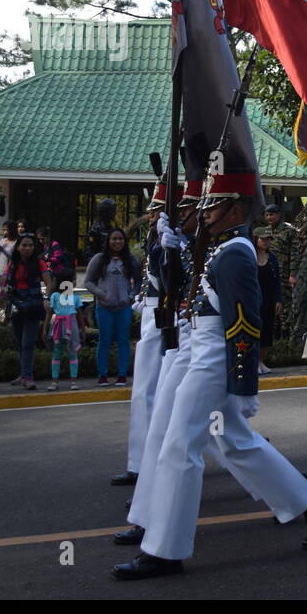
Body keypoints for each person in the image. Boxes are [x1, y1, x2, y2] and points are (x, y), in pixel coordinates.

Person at [112, 168, 307, 580]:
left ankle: (165, 549)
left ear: (235, 208)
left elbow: (245, 323)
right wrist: (166, 249)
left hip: (213, 357)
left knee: (179, 446)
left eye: (211, 205)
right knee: (233, 441)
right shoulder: (217, 247)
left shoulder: (235, 252)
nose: (203, 213)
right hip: (200, 348)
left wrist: (241, 383)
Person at [112, 178, 180, 486]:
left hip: (168, 316)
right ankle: (142, 461)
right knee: (147, 392)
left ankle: (146, 463)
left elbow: (176, 279)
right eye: (152, 210)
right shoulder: (156, 239)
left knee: (156, 393)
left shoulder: (175, 240)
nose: (151, 215)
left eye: (157, 209)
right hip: (152, 313)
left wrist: (172, 248)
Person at [85, 227, 141, 386]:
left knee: (123, 341)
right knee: (104, 341)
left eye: (120, 239)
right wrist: (101, 294)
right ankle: (102, 375)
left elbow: (139, 283)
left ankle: (122, 374)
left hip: (124, 308)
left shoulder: (131, 260)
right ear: (108, 241)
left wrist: (131, 297)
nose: (117, 242)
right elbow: (88, 282)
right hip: (103, 308)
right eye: (114, 239)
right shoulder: (99, 259)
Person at [5, 234, 48, 390]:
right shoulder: (13, 264)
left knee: (27, 343)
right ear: (18, 247)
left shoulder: (39, 263)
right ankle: (23, 374)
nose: (28, 248)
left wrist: (48, 299)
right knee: (19, 342)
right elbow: (6, 284)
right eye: (24, 245)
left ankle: (28, 376)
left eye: (30, 245)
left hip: (33, 305)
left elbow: (49, 282)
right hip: (16, 305)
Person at [260, 204, 299, 341]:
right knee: (270, 307)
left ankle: (286, 340)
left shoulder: (289, 231)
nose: (269, 217)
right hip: (269, 275)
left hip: (284, 275)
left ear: (279, 215)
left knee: (285, 307)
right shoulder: (264, 232)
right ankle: (273, 340)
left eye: (272, 214)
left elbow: (295, 253)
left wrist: (293, 274)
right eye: (267, 215)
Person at [47, 280, 83, 390]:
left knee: (72, 353)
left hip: (71, 327)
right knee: (57, 352)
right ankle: (55, 381)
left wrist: (83, 330)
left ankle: (73, 381)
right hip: (59, 327)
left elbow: (80, 314)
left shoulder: (75, 297)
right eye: (73, 280)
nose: (75, 282)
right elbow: (50, 312)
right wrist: (45, 329)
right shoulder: (55, 296)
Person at [254, 226, 281, 356]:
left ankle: (261, 360)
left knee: (267, 331)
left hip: (269, 299)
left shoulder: (272, 258)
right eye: (262, 239)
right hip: (253, 299)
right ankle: (253, 360)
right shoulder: (249, 257)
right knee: (254, 329)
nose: (265, 242)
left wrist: (278, 300)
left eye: (268, 239)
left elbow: (277, 281)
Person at [0, 220, 19, 292]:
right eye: (3, 230)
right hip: (0, 271)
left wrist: (3, 250)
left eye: (6, 230)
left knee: (5, 293)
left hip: (10, 271)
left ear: (12, 230)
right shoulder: (3, 240)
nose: (4, 232)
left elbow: (14, 258)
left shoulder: (17, 242)